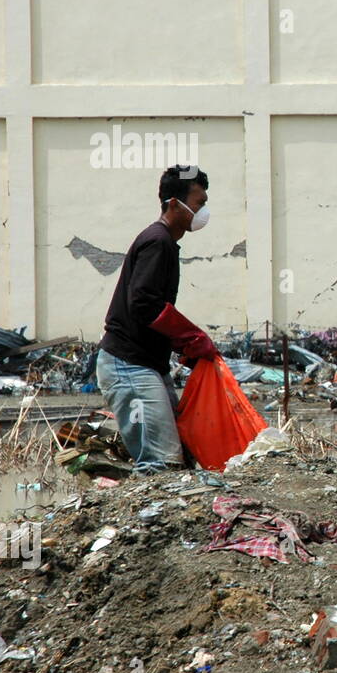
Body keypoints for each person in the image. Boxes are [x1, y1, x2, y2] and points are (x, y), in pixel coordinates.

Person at [96, 166, 219, 474]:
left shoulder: (164, 243)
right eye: (199, 202)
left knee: (179, 454)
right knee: (160, 464)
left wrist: (179, 342)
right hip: (129, 365)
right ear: (174, 204)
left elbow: (152, 308)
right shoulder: (157, 241)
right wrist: (191, 336)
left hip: (146, 364)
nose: (202, 210)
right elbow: (144, 303)